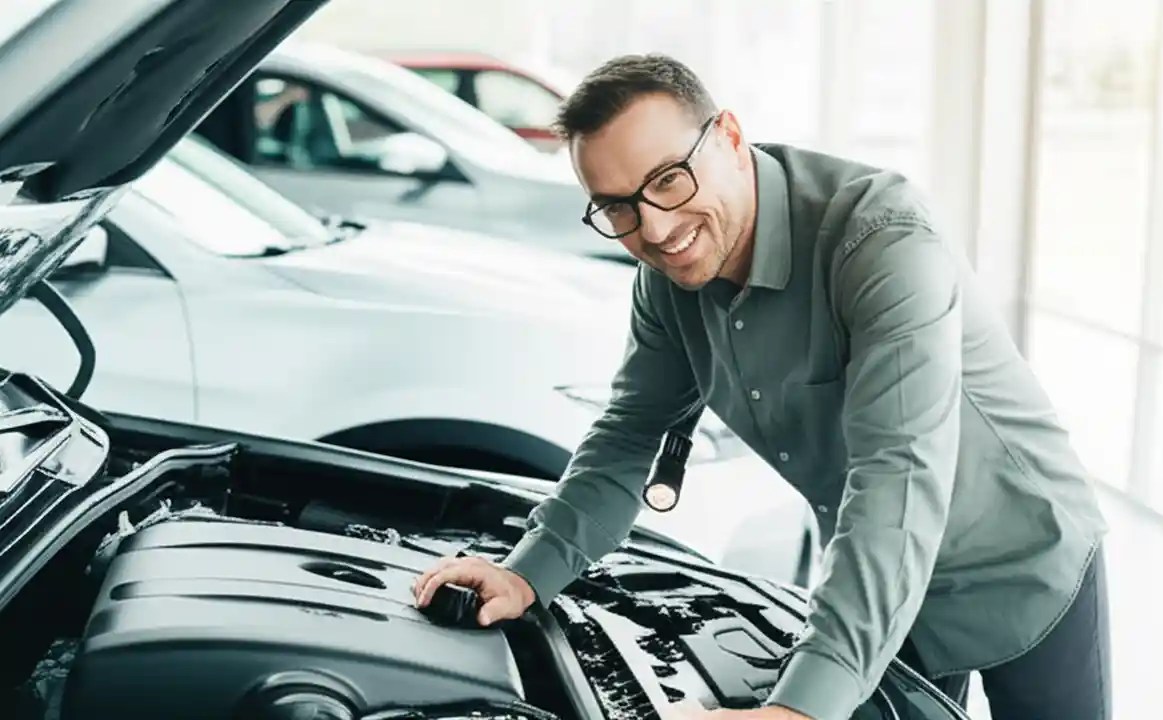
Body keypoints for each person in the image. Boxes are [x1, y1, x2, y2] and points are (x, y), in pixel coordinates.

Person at [412, 54, 1112, 720]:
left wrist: (802, 705)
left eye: (669, 180)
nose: (654, 228)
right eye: (617, 207)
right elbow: (629, 433)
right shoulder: (668, 280)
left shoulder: (883, 241)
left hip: (1022, 559)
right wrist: (528, 572)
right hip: (880, 578)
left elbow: (898, 473)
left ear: (730, 136)